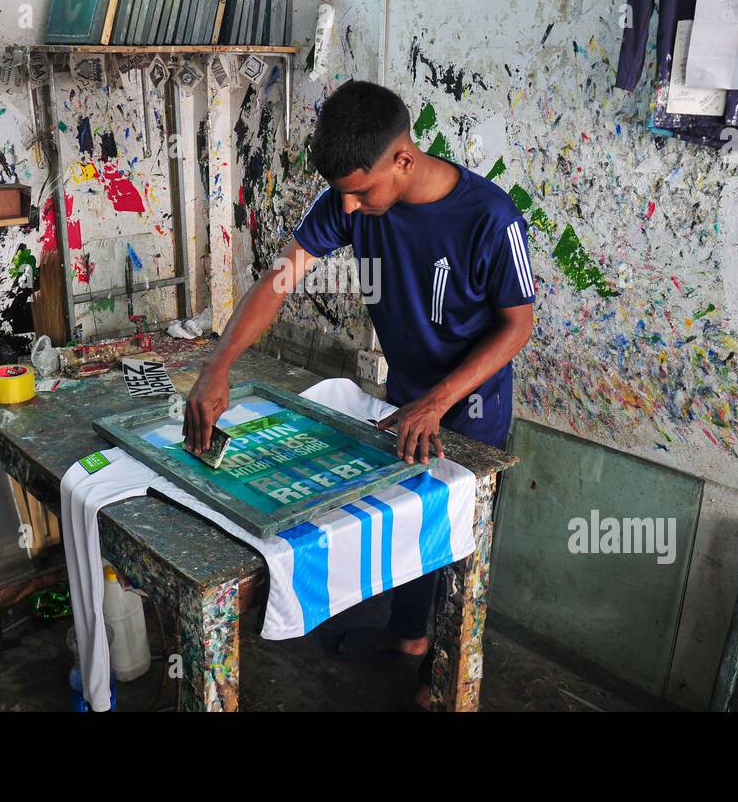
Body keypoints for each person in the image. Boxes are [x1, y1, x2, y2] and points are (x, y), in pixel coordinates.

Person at [184, 79, 536, 707]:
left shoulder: (490, 218)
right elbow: (281, 279)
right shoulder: (354, 198)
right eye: (341, 194)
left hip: (472, 407)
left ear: (404, 158)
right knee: (407, 516)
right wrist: (220, 363)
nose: (347, 210)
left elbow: (518, 324)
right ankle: (407, 639)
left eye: (358, 192)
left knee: (458, 536)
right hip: (404, 395)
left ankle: (450, 665)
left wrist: (437, 400)